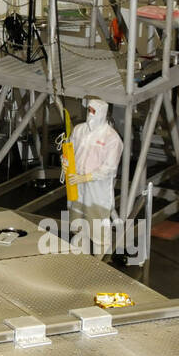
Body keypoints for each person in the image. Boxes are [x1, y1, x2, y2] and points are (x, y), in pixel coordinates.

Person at [66, 96, 123, 255]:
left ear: (102, 113)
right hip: (76, 186)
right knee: (77, 227)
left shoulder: (112, 138)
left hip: (97, 192)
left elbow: (109, 168)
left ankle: (102, 264)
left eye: (93, 111)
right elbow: (71, 151)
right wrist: (65, 162)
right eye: (89, 110)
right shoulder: (79, 130)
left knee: (98, 231)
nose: (90, 114)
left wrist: (86, 177)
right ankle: (80, 261)